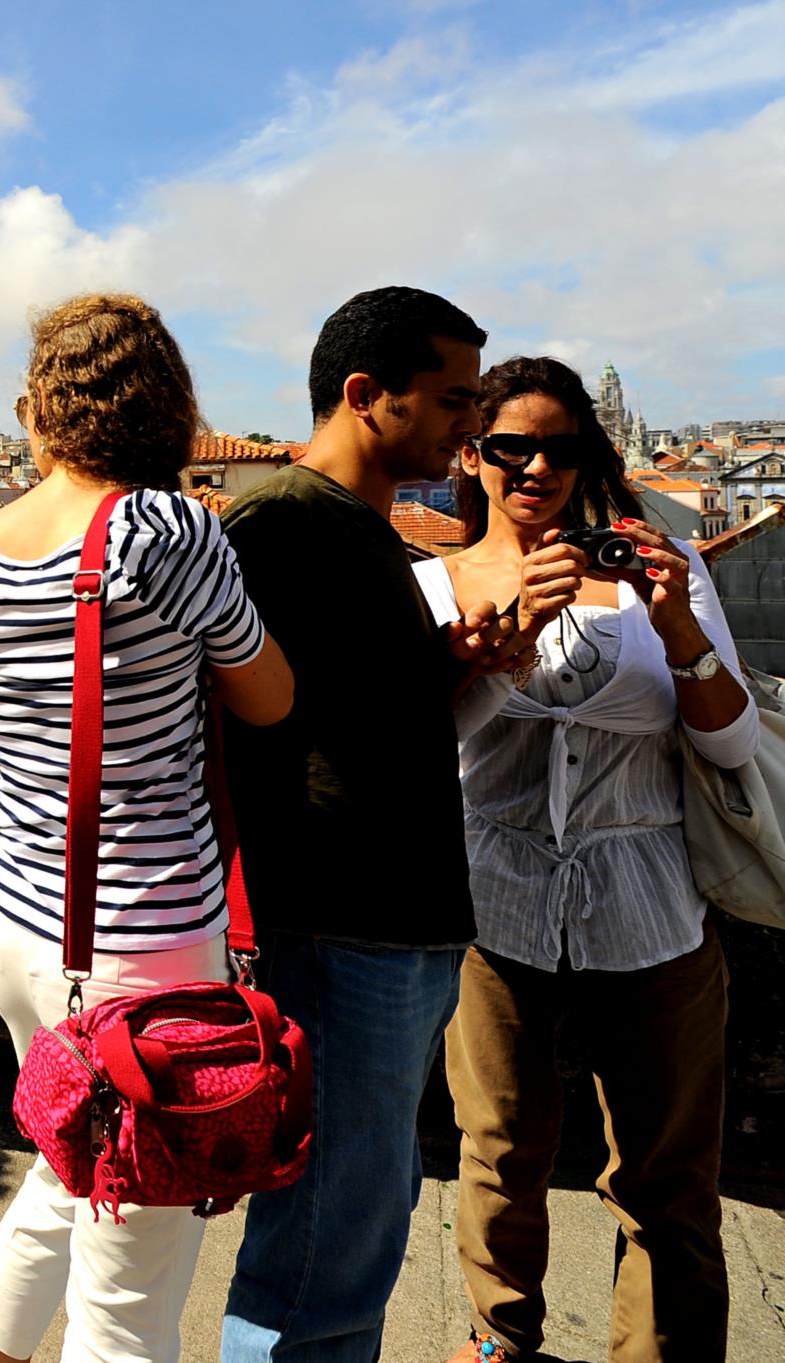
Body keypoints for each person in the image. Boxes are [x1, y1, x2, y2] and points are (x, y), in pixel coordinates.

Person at [0, 293, 294, 1363]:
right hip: (150, 947)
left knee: (67, 1163)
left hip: (16, 920)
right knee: (132, 1278)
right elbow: (267, 699)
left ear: (37, 414)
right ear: (165, 411)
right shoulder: (166, 532)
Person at [416, 356, 755, 1363]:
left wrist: (678, 626)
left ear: (587, 459)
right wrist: (507, 632)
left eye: (557, 449)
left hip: (650, 908)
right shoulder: (430, 583)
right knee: (496, 1151)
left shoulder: (668, 570)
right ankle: (496, 1340)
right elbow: (418, 750)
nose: (532, 469)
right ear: (471, 455)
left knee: (666, 1178)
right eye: (507, 447)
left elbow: (729, 745)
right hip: (493, 908)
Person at [217, 287, 520, 1362]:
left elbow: (346, 716)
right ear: (362, 394)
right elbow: (218, 732)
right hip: (338, 930)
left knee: (358, 1221)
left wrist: (448, 663)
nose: (468, 427)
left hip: (396, 926)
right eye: (449, 398)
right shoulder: (277, 526)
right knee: (321, 1250)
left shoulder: (361, 534)